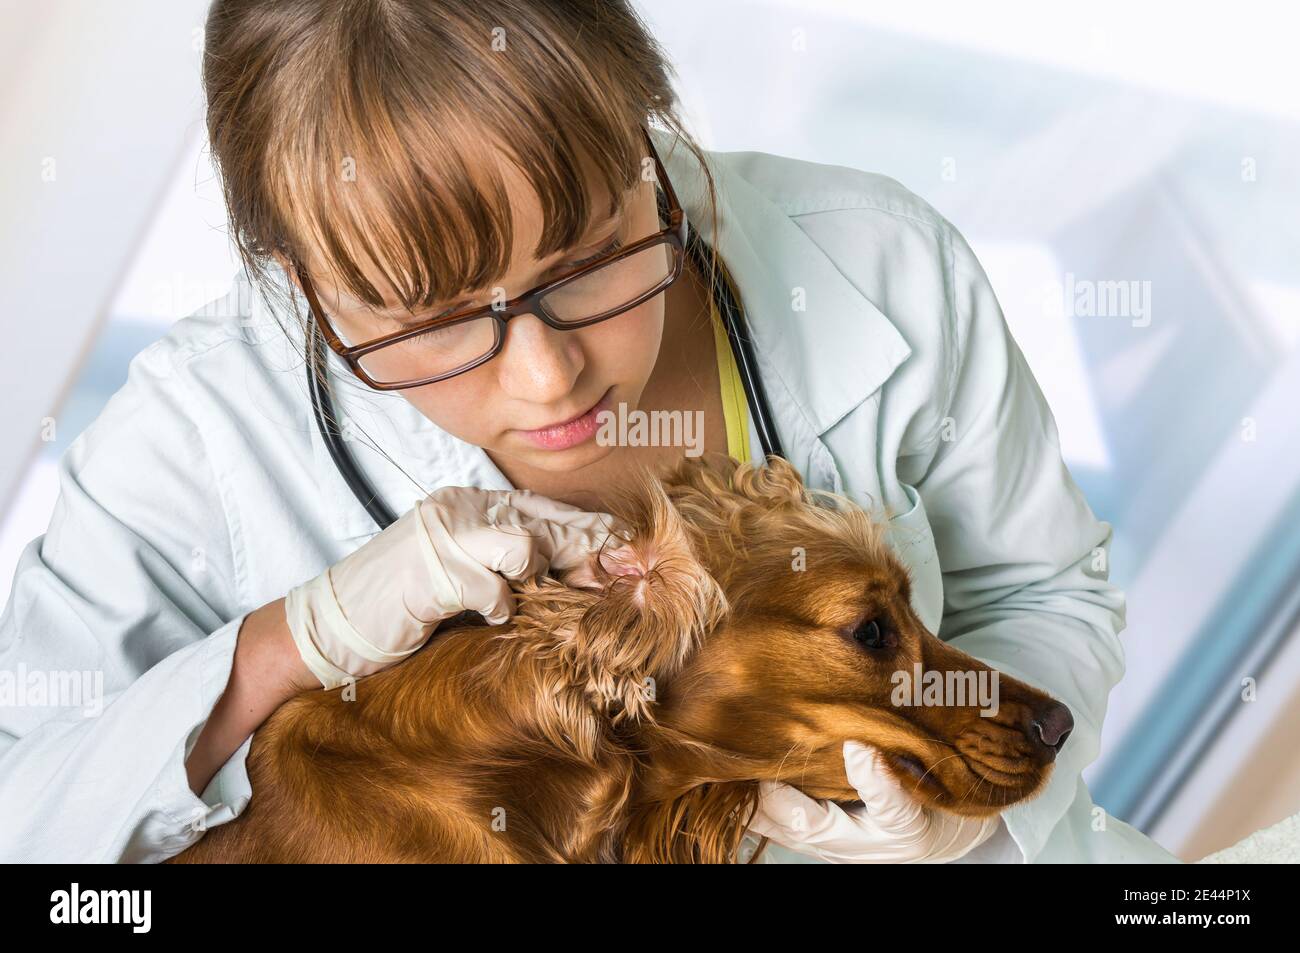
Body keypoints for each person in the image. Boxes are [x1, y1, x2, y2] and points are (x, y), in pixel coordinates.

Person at [0, 0, 1178, 864]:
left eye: (587, 264)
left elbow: (1046, 596)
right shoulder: (193, 436)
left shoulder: (871, 260)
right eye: (434, 320)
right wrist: (288, 643)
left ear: (648, 144)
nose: (546, 373)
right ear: (299, 284)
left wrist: (965, 837)